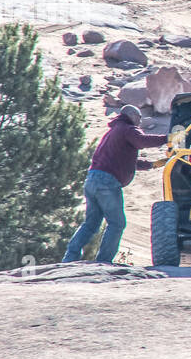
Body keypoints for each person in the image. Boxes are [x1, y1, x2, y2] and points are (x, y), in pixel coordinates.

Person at [64, 105, 167, 263]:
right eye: (139, 118)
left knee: (91, 224)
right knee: (117, 224)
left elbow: (124, 161)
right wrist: (167, 139)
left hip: (92, 181)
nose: (140, 122)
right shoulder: (128, 129)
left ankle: (69, 257)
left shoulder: (113, 132)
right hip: (107, 183)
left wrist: (152, 165)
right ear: (132, 115)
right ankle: (103, 261)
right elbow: (142, 141)